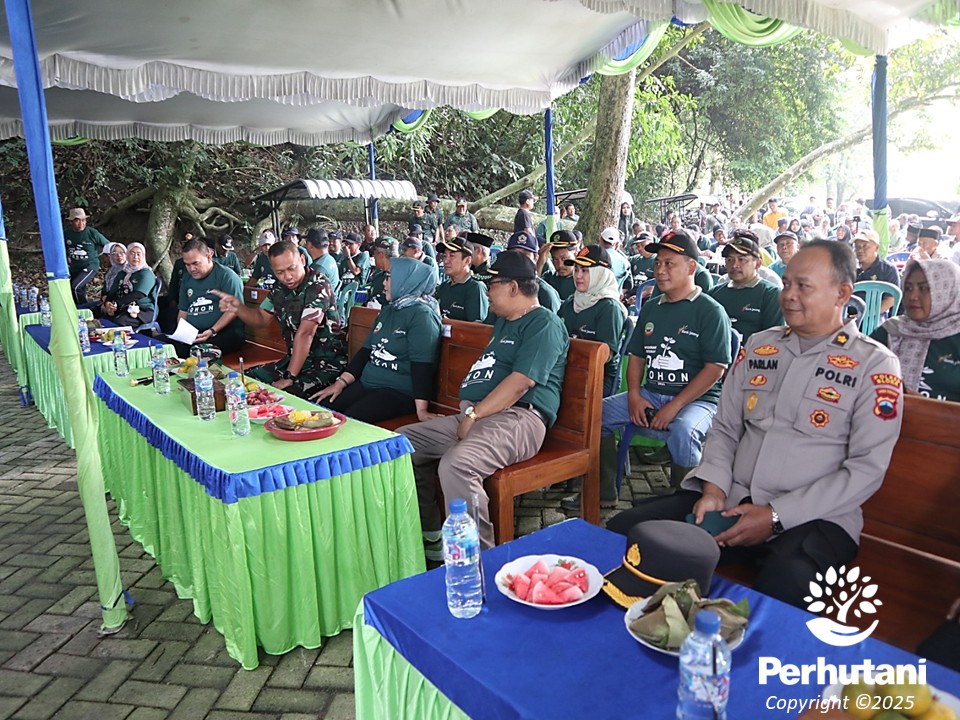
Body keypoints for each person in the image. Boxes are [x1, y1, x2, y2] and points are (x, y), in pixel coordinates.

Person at [607, 240, 903, 610]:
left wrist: (776, 517)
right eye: (786, 284)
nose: (789, 296)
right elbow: (726, 427)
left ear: (842, 293)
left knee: (783, 587)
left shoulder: (874, 364)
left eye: (803, 286)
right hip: (731, 499)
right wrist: (713, 490)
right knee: (627, 533)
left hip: (814, 519)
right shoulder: (762, 347)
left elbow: (865, 469)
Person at [399, 251, 569, 553]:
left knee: (457, 465)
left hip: (519, 419)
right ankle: (430, 535)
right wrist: (471, 413)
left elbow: (520, 384)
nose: (487, 290)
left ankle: (476, 560)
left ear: (514, 288)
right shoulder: (504, 321)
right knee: (401, 444)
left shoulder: (544, 323)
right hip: (479, 416)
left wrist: (474, 414)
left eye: (492, 284)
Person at [599, 229, 731, 505]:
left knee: (684, 430)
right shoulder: (651, 307)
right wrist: (634, 395)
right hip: (650, 393)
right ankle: (604, 490)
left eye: (669, 263)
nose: (660, 270)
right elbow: (635, 356)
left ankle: (684, 500)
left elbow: (715, 368)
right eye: (658, 262)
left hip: (699, 401)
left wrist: (675, 405)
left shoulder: (709, 310)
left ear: (691, 266)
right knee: (595, 416)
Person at [311, 257, 441, 422]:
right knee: (320, 408)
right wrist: (340, 384)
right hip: (368, 383)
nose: (384, 284)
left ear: (405, 281)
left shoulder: (422, 315)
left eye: (389, 278)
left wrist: (422, 410)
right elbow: (365, 352)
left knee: (350, 420)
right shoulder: (388, 310)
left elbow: (422, 364)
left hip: (398, 391)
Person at [211, 240, 346, 398]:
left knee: (281, 396)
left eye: (291, 269)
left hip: (326, 364)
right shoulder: (280, 288)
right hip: (292, 361)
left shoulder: (318, 286)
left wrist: (289, 377)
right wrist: (239, 308)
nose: (287, 277)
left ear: (302, 260)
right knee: (242, 380)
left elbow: (306, 333)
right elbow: (261, 318)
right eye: (280, 272)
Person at [872, 259, 960, 402]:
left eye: (924, 288)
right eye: (908, 288)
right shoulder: (891, 331)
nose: (912, 296)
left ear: (947, 291)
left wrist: (930, 408)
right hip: (881, 420)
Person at [557, 245, 626, 397]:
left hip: (597, 379)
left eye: (585, 271)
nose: (578, 276)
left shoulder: (609, 308)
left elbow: (605, 356)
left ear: (600, 274)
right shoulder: (570, 302)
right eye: (576, 269)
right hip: (567, 373)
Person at [176, 237, 245, 355]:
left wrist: (212, 330)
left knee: (198, 353)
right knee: (164, 348)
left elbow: (233, 310)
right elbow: (183, 311)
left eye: (195, 263)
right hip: (194, 334)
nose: (191, 269)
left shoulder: (227, 277)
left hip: (222, 332)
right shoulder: (187, 278)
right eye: (187, 265)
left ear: (209, 256)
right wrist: (183, 333)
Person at [708, 234, 783, 342]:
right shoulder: (714, 294)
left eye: (742, 260)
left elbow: (774, 339)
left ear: (758, 264)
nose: (734, 265)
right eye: (729, 260)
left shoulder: (771, 294)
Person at [100, 242, 157, 329]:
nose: (135, 257)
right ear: (127, 255)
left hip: (142, 310)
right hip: (123, 308)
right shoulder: (123, 273)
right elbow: (112, 292)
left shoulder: (146, 273)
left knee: (120, 321)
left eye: (138, 254)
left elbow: (138, 294)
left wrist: (116, 304)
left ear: (143, 256)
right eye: (132, 253)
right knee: (100, 316)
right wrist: (108, 303)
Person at [503, 232, 561, 313]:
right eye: (514, 254)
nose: (520, 259)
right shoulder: (501, 288)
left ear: (536, 258)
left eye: (525, 255)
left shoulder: (546, 294)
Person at [435, 236, 489, 322]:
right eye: (445, 256)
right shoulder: (443, 287)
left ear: (467, 260)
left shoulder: (475, 288)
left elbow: (478, 329)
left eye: (452, 256)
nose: (445, 261)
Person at [63, 208, 109, 305]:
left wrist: (108, 257)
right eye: (77, 220)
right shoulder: (66, 233)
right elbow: (61, 247)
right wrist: (67, 256)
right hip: (75, 267)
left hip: (90, 265)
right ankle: (80, 309)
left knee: (75, 287)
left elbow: (108, 245)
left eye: (83, 220)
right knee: (76, 290)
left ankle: (83, 309)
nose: (81, 224)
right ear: (71, 222)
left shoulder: (91, 233)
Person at [853, 229, 900, 314]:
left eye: (865, 246)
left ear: (877, 247)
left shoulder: (888, 269)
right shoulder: (850, 267)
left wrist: (869, 315)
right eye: (857, 246)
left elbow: (891, 299)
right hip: (848, 316)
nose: (860, 250)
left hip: (876, 317)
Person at [539, 230, 578, 301]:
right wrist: (540, 263)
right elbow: (532, 289)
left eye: (564, 259)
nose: (560, 265)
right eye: (555, 260)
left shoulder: (582, 282)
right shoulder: (549, 278)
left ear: (575, 254)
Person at [365, 237, 398, 307]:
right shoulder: (379, 277)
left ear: (380, 255)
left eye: (374, 254)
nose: (373, 256)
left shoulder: (401, 278)